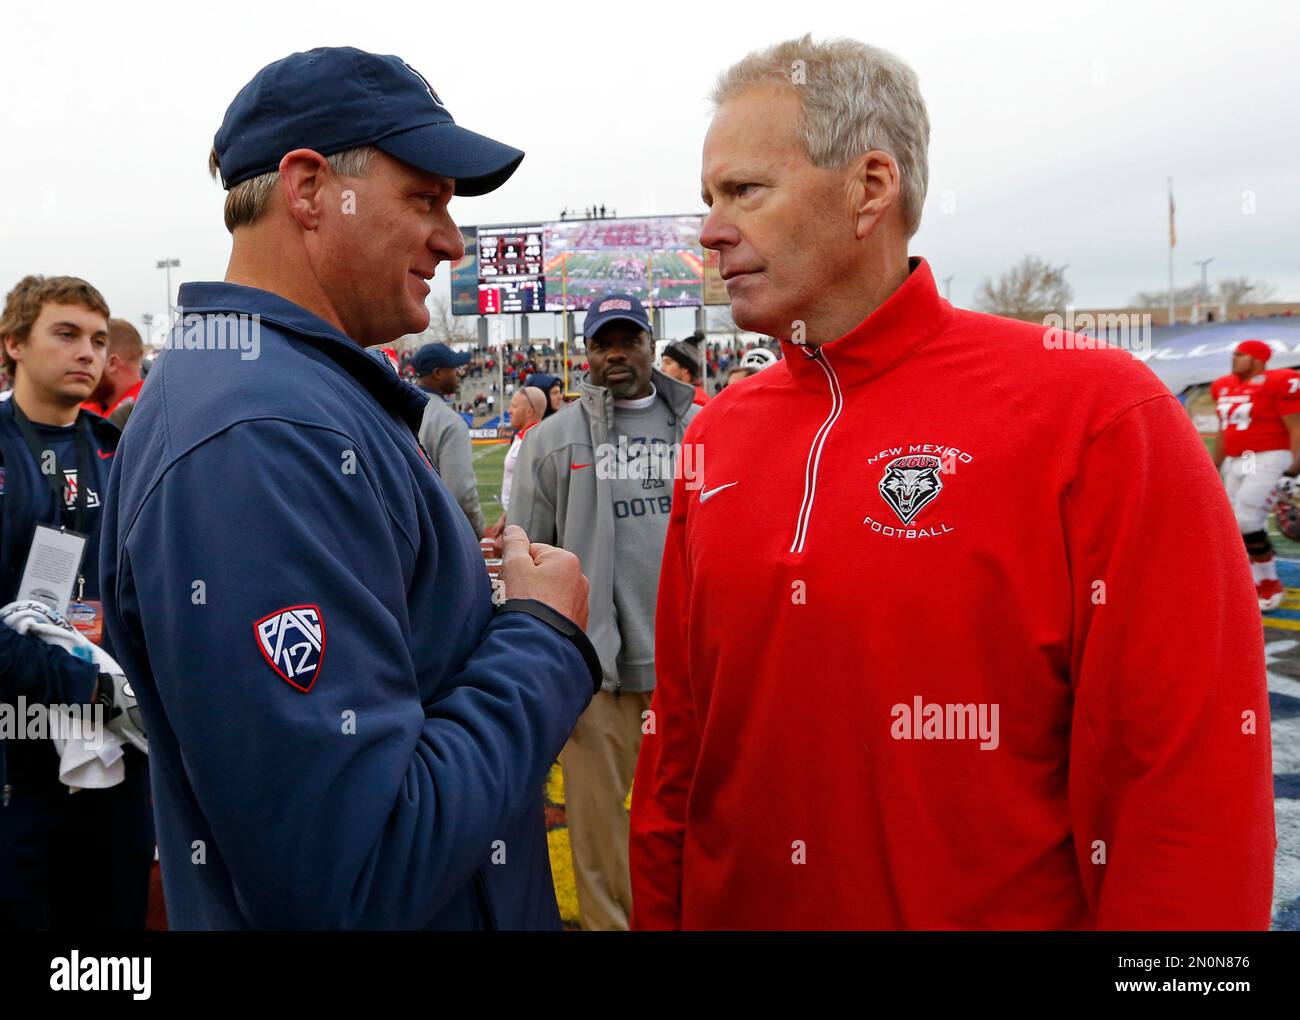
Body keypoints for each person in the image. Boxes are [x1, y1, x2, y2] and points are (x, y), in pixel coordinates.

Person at [629, 35, 1274, 930]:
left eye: (744, 191)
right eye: (708, 198)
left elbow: (1185, 786)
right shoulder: (722, 433)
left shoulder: (1094, 413)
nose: (708, 230)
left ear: (870, 188)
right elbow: (681, 748)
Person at [100, 46, 601, 930]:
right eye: (427, 200)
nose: (451, 240)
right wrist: (542, 636)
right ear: (307, 188)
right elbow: (354, 873)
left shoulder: (289, 395)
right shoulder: (260, 433)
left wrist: (463, 606)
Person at [509, 291, 699, 930]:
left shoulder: (704, 426)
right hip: (599, 677)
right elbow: (528, 560)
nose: (615, 354)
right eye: (602, 344)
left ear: (652, 344)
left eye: (628, 340)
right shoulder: (552, 441)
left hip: (692, 674)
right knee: (599, 839)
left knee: (698, 825)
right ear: (585, 353)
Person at [0, 275, 154, 929]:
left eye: (97, 338)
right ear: (13, 342)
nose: (87, 352)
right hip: (20, 757)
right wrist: (92, 690)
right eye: (65, 334)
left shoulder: (121, 450)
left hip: (115, 757)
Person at [1210, 339, 1300, 610]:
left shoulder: (1278, 382)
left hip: (1270, 455)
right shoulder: (1222, 385)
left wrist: (1294, 469)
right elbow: (1224, 431)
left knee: (1247, 519)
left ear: (1260, 360)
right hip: (1240, 459)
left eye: (1241, 355)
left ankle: (1270, 584)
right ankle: (1250, 582)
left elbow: (1296, 427)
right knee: (1232, 524)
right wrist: (1212, 465)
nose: (1234, 358)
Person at [414, 342, 485, 538]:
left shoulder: (392, 410)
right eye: (453, 369)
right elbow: (461, 493)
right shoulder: (448, 421)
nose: (458, 374)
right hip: (438, 537)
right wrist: (477, 531)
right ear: (438, 373)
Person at [485, 385, 546, 552]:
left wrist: (513, 532)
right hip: (516, 521)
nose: (509, 410)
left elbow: (531, 495)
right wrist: (505, 518)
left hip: (526, 528)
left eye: (514, 406)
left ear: (529, 411)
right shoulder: (522, 437)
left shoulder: (535, 441)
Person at [82, 318, 145, 430]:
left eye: (88, 361)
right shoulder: (82, 407)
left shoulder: (146, 412)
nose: (81, 368)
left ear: (112, 363)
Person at [659, 333, 709, 405]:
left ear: (685, 368)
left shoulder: (697, 405)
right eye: (662, 363)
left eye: (668, 362)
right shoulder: (680, 400)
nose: (662, 369)